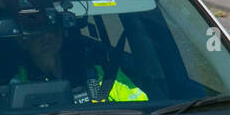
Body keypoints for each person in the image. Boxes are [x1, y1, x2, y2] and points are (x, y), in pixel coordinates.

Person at [10, 25, 147, 103]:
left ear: (62, 33)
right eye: (36, 31)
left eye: (52, 28)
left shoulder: (99, 73)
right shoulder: (18, 83)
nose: (47, 36)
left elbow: (140, 105)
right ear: (22, 41)